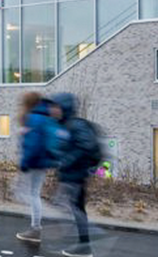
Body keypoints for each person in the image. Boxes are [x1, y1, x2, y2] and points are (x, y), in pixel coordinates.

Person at [49, 93, 102, 257]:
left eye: (55, 106)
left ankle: (86, 243)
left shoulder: (75, 125)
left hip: (76, 175)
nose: (52, 110)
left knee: (68, 206)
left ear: (64, 107)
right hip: (71, 174)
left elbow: (87, 145)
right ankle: (84, 245)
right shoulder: (65, 125)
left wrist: (67, 161)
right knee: (73, 208)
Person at [15, 92, 59, 244]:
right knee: (33, 193)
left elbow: (33, 144)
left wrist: (25, 163)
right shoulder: (45, 117)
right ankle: (36, 227)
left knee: (25, 194)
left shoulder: (34, 118)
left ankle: (37, 226)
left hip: (33, 162)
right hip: (42, 162)